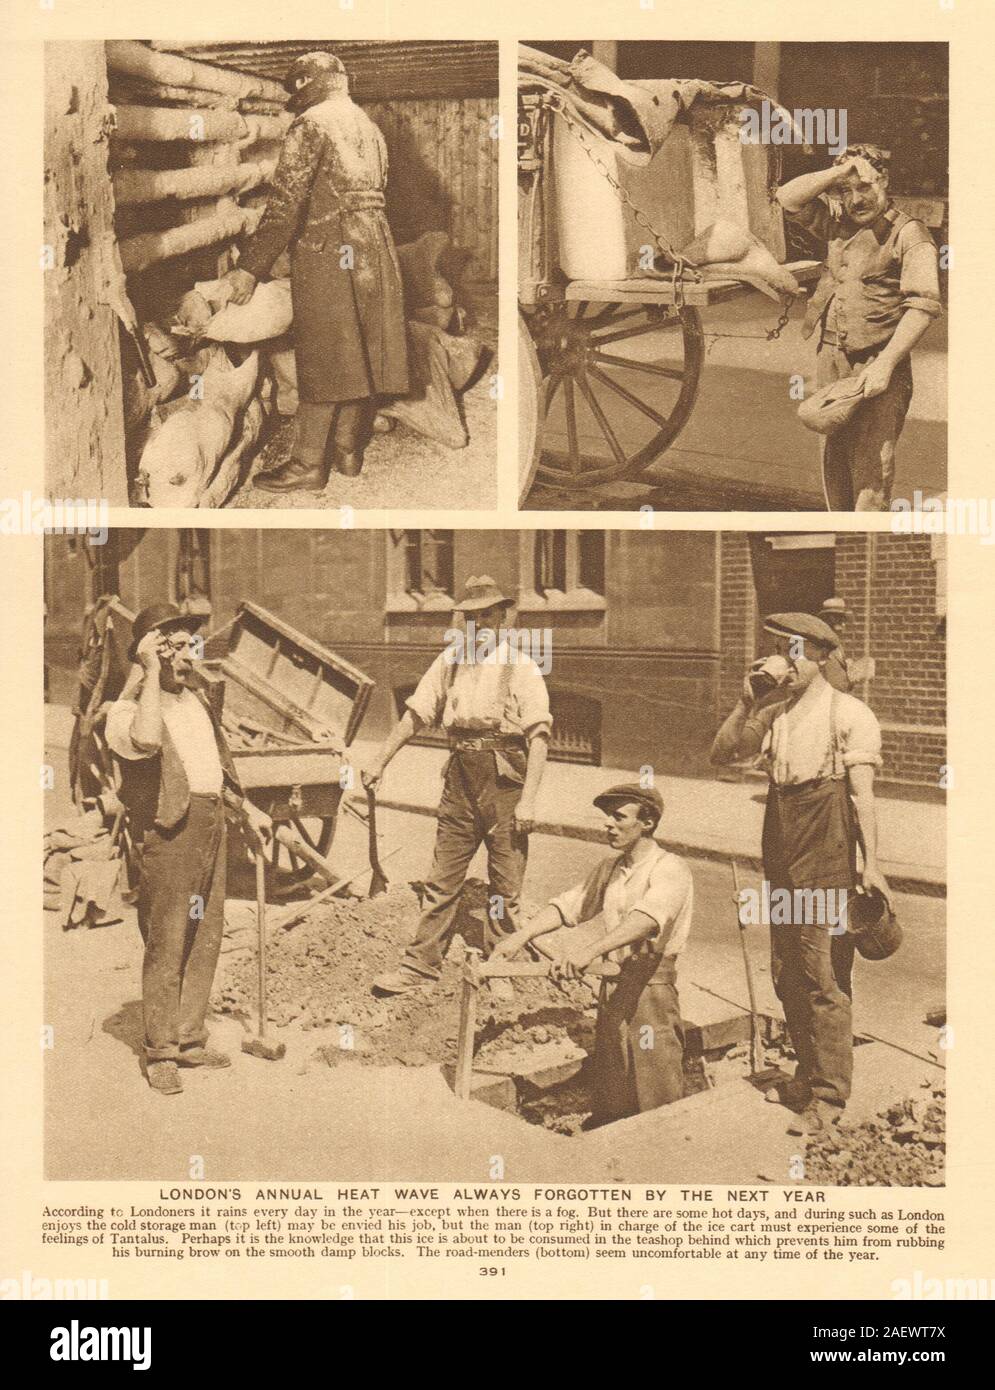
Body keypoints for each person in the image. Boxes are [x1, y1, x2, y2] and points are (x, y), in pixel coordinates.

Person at [710, 612, 893, 1136]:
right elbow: (723, 754)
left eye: (792, 651)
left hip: (826, 845)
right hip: (782, 838)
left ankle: (830, 1097)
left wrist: (872, 865)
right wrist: (748, 698)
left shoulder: (850, 714)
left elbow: (862, 797)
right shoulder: (775, 713)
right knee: (786, 968)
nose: (784, 661)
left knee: (821, 972)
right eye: (780, 650)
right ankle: (806, 1075)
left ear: (819, 655)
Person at [223, 52, 409, 491]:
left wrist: (250, 267)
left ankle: (308, 464)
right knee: (360, 347)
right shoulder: (368, 125)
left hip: (331, 249)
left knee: (326, 355)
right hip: (376, 248)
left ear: (306, 85)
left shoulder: (312, 125)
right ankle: (347, 450)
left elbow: (287, 203)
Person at [364, 576, 551, 997]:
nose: (481, 623)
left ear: (503, 618)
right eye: (473, 616)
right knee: (442, 877)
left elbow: (538, 737)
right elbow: (415, 715)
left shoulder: (521, 667)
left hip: (505, 777)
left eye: (489, 614)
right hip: (460, 776)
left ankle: (499, 967)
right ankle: (419, 967)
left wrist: (530, 800)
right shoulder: (450, 661)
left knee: (504, 882)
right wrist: (379, 760)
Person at [492, 784, 692, 1126]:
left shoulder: (669, 868)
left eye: (619, 817)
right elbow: (572, 905)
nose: (608, 825)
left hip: (650, 988)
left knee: (655, 1084)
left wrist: (589, 952)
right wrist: (519, 937)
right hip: (614, 983)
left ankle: (662, 1154)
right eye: (607, 818)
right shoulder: (610, 868)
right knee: (615, 1081)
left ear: (648, 823)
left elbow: (645, 920)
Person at [105, 604, 243, 1095]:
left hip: (210, 825)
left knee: (206, 933)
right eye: (176, 648)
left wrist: (250, 810)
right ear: (152, 655)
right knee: (167, 937)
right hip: (169, 834)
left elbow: (215, 769)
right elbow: (145, 740)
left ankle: (188, 1038)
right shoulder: (125, 713)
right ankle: (160, 1050)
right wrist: (148, 671)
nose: (188, 657)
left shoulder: (197, 703)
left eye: (191, 646)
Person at [777, 143, 941, 511]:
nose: (855, 200)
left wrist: (885, 364)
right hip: (832, 358)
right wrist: (840, 173)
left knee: (871, 473)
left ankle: (866, 531)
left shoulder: (909, 235)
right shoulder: (838, 225)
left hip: (879, 363)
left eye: (864, 187)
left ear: (883, 180)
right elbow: (787, 197)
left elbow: (923, 307)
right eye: (845, 192)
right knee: (834, 464)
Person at [819, 596, 853, 692]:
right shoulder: (819, 641)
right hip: (825, 697)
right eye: (838, 617)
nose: (842, 623)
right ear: (826, 618)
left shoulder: (837, 643)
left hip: (840, 696)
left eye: (843, 618)